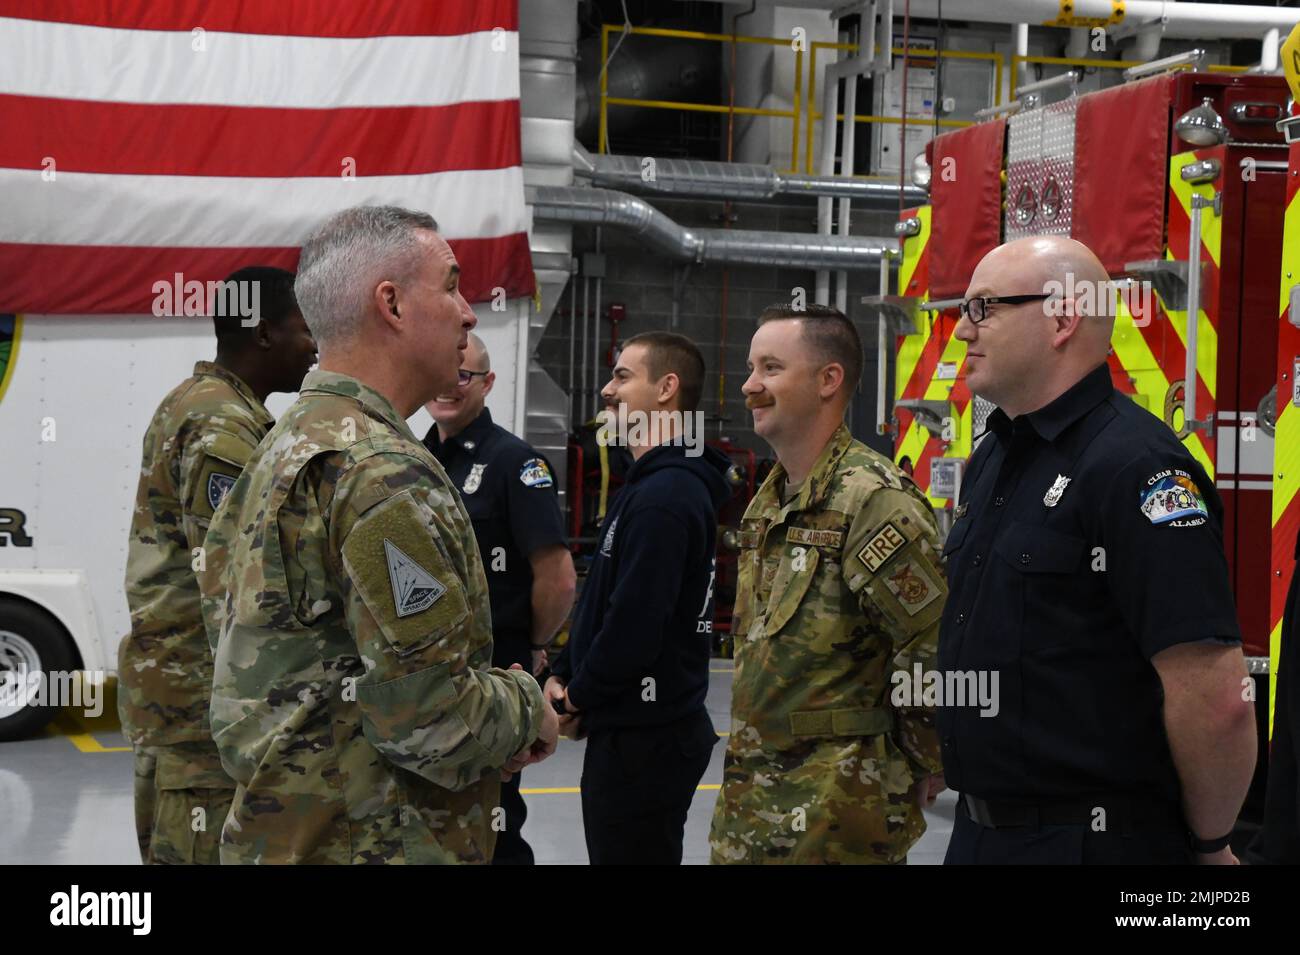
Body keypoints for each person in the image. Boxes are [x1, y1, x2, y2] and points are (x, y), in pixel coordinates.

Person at [201, 205, 558, 864]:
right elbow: (433, 720)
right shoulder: (381, 471)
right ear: (391, 304)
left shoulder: (286, 443)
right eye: (450, 284)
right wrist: (526, 707)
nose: (469, 312)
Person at [940, 235, 1256, 865]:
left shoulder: (1137, 468)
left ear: (1062, 317)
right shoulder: (995, 457)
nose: (960, 333)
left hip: (1092, 844)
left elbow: (1216, 695)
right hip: (979, 834)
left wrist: (1211, 843)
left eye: (983, 310)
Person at [709, 303, 946, 865]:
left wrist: (915, 765)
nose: (749, 385)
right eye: (751, 367)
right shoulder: (771, 501)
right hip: (754, 813)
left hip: (839, 819)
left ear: (827, 380)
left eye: (770, 368)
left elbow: (931, 648)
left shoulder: (872, 500)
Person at [120, 265, 317, 864]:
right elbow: (228, 587)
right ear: (262, 334)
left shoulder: (200, 401)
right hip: (201, 712)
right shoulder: (220, 424)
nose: (315, 347)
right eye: (304, 329)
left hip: (178, 700)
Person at [547, 331, 730, 864]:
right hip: (631, 730)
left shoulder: (667, 495)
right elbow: (603, 601)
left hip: (647, 739)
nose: (607, 389)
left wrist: (575, 697)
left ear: (667, 388)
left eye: (623, 377)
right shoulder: (645, 488)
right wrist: (564, 670)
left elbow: (634, 627)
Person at [422, 332, 576, 864]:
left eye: (465, 376)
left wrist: (533, 646)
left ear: (488, 383)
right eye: (446, 372)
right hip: (427, 677)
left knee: (494, 822)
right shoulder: (413, 458)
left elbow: (557, 577)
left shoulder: (516, 463)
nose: (451, 386)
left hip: (494, 671)